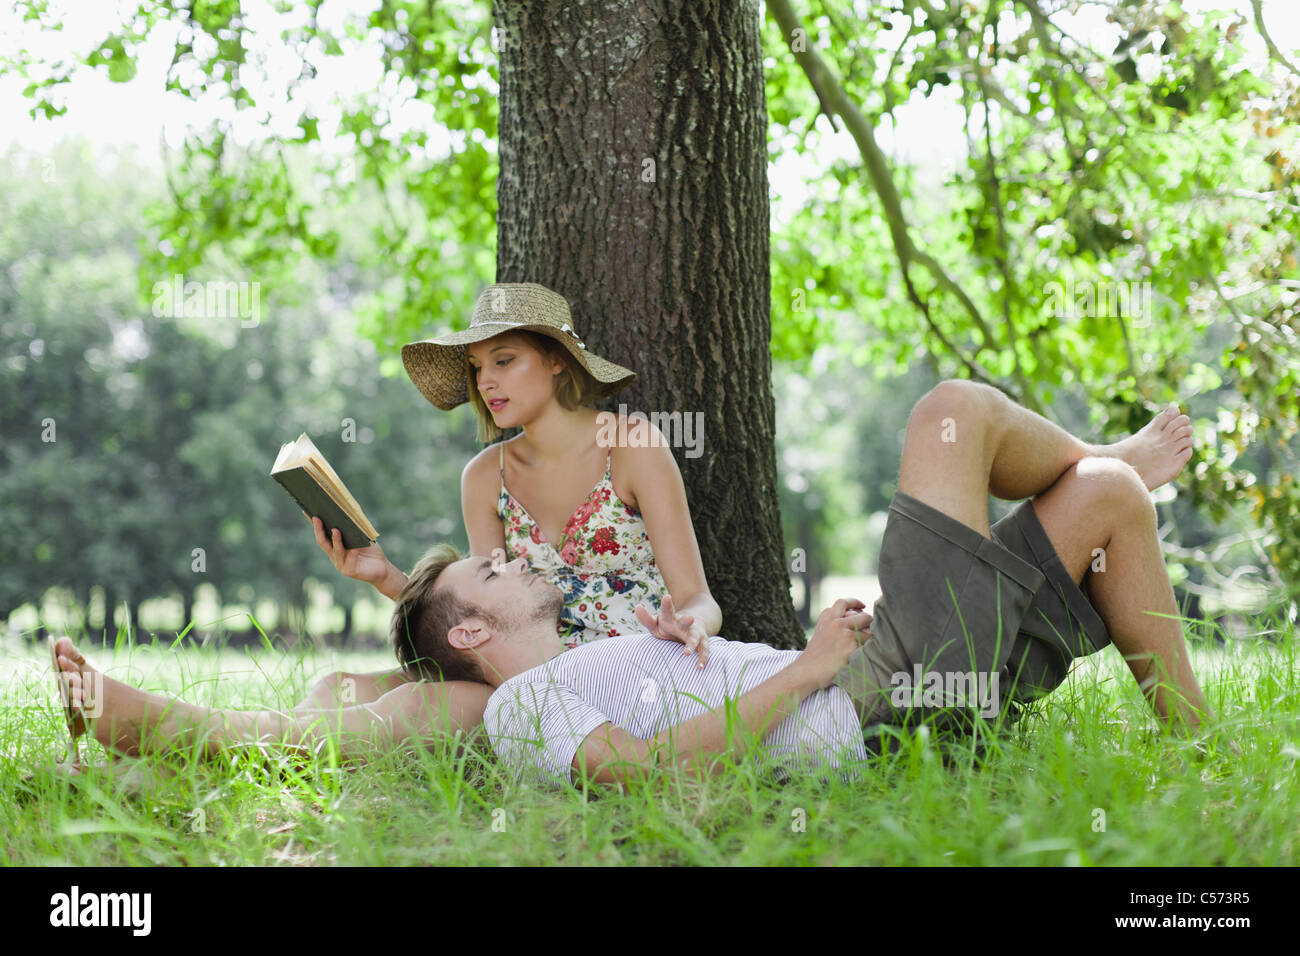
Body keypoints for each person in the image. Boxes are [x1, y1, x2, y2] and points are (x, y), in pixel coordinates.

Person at [51, 379, 1219, 781]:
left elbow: (498, 610)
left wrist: (705, 627)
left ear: (554, 368)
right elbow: (466, 625)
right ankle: (167, 723)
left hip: (874, 683)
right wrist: (812, 664)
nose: (525, 556)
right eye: (509, 563)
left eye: (506, 361)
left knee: (1109, 502)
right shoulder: (519, 690)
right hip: (875, 696)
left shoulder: (622, 457)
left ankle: (1193, 752)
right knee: (951, 415)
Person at [295, 281, 721, 717]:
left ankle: (255, 734)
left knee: (426, 703)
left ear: (557, 359)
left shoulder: (632, 445)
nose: (486, 381)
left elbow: (699, 599)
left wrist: (689, 627)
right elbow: (483, 616)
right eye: (477, 367)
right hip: (523, 675)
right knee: (339, 686)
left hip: (626, 674)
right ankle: (284, 756)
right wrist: (385, 576)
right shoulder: (485, 476)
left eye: (504, 360)